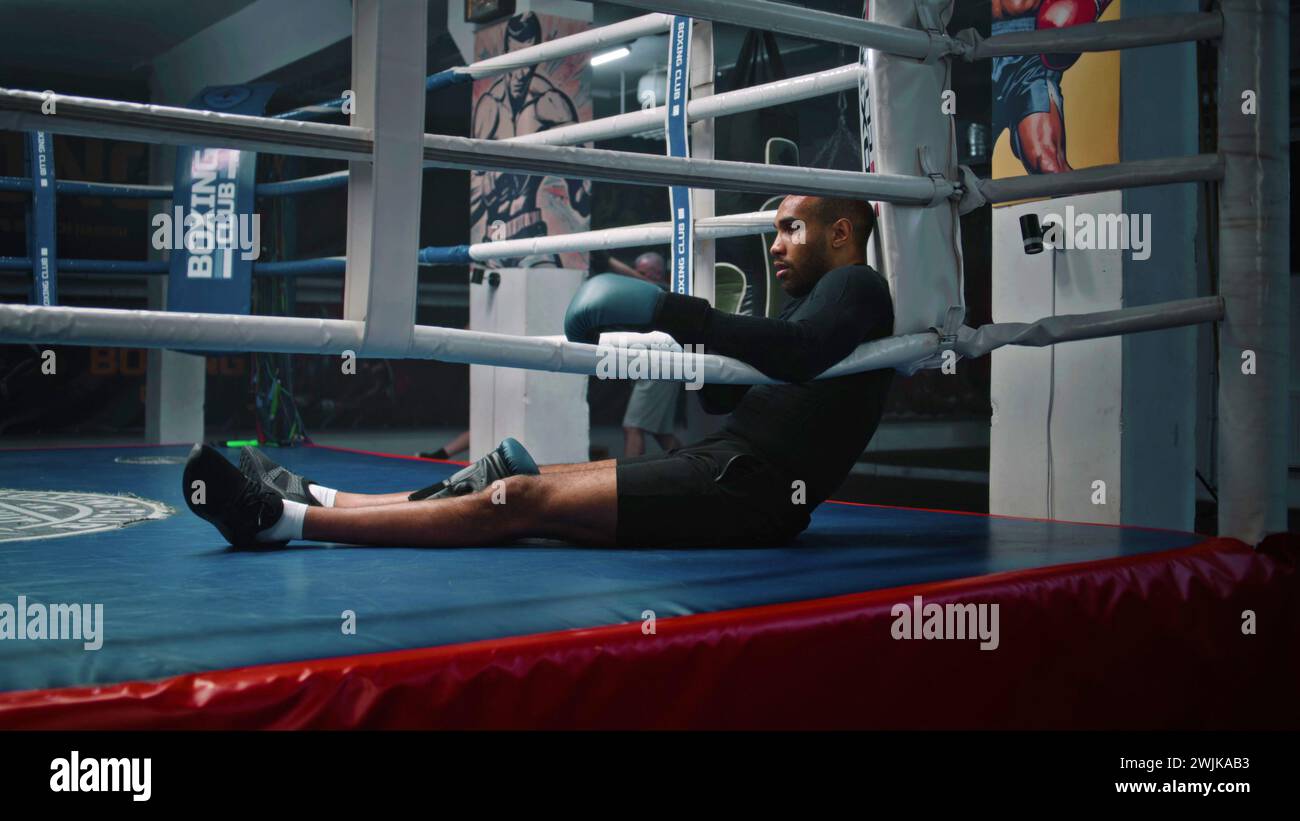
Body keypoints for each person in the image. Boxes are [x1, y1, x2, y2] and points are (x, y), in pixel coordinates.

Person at [183, 195, 894, 550]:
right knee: (506, 478)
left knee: (519, 499)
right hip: (727, 462)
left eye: (790, 228)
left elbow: (800, 354)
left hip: (755, 495)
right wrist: (695, 356)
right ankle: (323, 493)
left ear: (840, 233)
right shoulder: (811, 298)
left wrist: (674, 311)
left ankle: (282, 521)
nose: (775, 243)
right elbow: (733, 391)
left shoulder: (859, 289)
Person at [602, 252, 684, 457]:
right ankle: (696, 467)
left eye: (640, 272)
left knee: (633, 427)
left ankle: (629, 481)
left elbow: (639, 281)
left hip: (659, 363)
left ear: (655, 273)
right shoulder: (648, 293)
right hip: (659, 363)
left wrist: (605, 260)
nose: (634, 276)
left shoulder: (663, 290)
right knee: (661, 433)